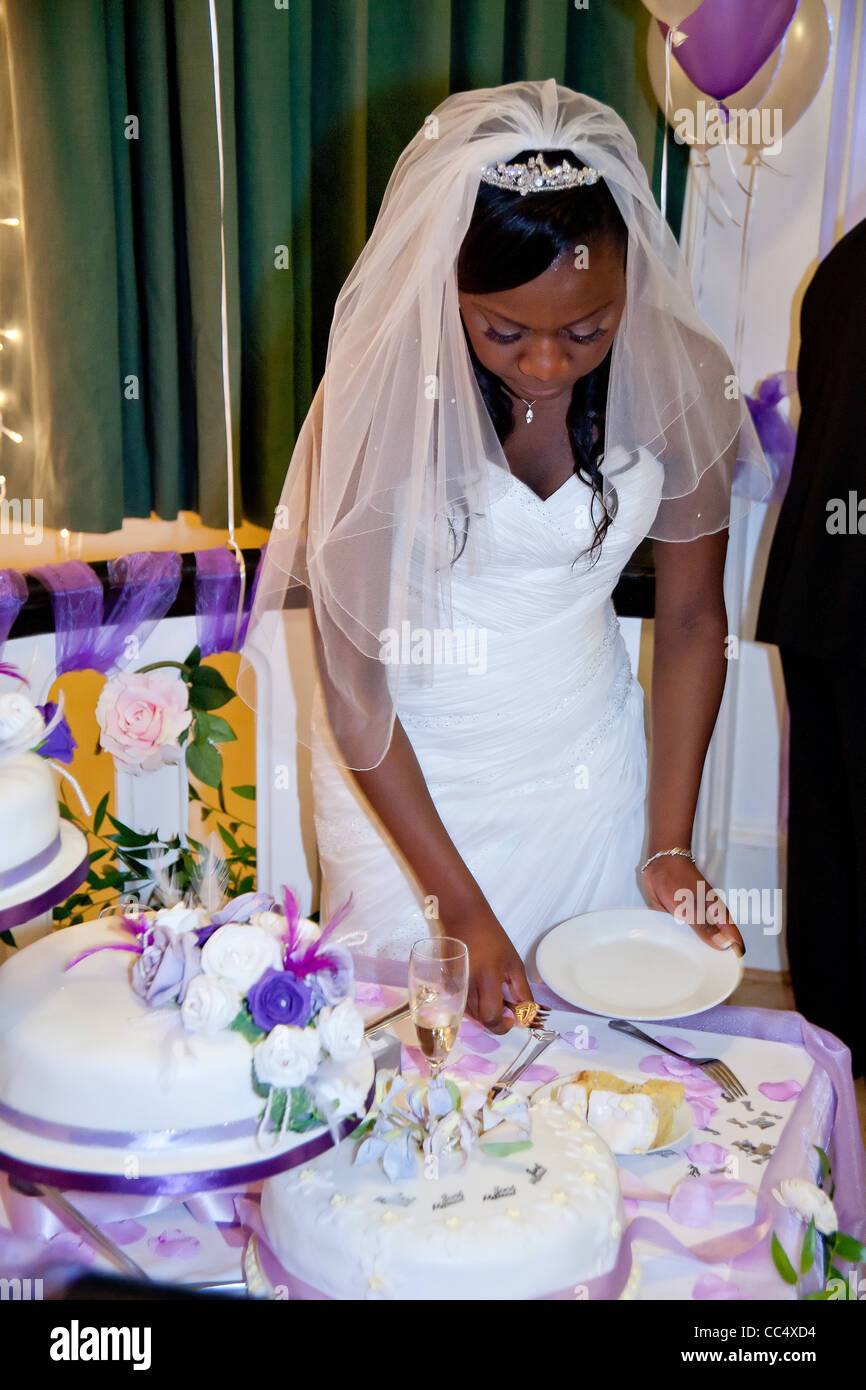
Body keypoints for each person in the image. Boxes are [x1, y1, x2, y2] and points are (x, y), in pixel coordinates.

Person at [241, 81, 770, 1033]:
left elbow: (692, 618)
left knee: (591, 1060)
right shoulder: (383, 399)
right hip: (408, 782)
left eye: (585, 329)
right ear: (447, 286)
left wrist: (667, 844)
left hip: (587, 765)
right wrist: (459, 903)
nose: (545, 366)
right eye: (504, 330)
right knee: (413, 1071)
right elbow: (353, 680)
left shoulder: (684, 377)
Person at [756, 218, 866, 1077]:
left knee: (833, 854)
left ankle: (834, 1075)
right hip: (834, 587)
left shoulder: (847, 261)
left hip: (824, 589)